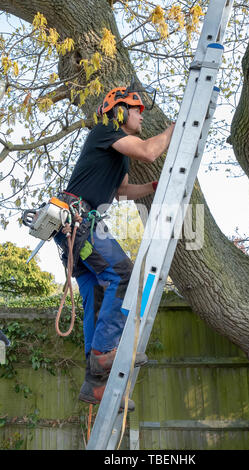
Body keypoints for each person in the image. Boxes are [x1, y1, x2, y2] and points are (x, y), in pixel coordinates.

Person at [55, 84, 175, 410]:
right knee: (123, 274)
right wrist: (174, 130)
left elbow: (121, 192)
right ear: (119, 111)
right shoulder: (105, 130)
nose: (141, 116)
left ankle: (94, 385)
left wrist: (151, 186)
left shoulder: (118, 156)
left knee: (96, 296)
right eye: (137, 110)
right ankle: (104, 352)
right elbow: (150, 151)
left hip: (75, 226)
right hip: (78, 221)